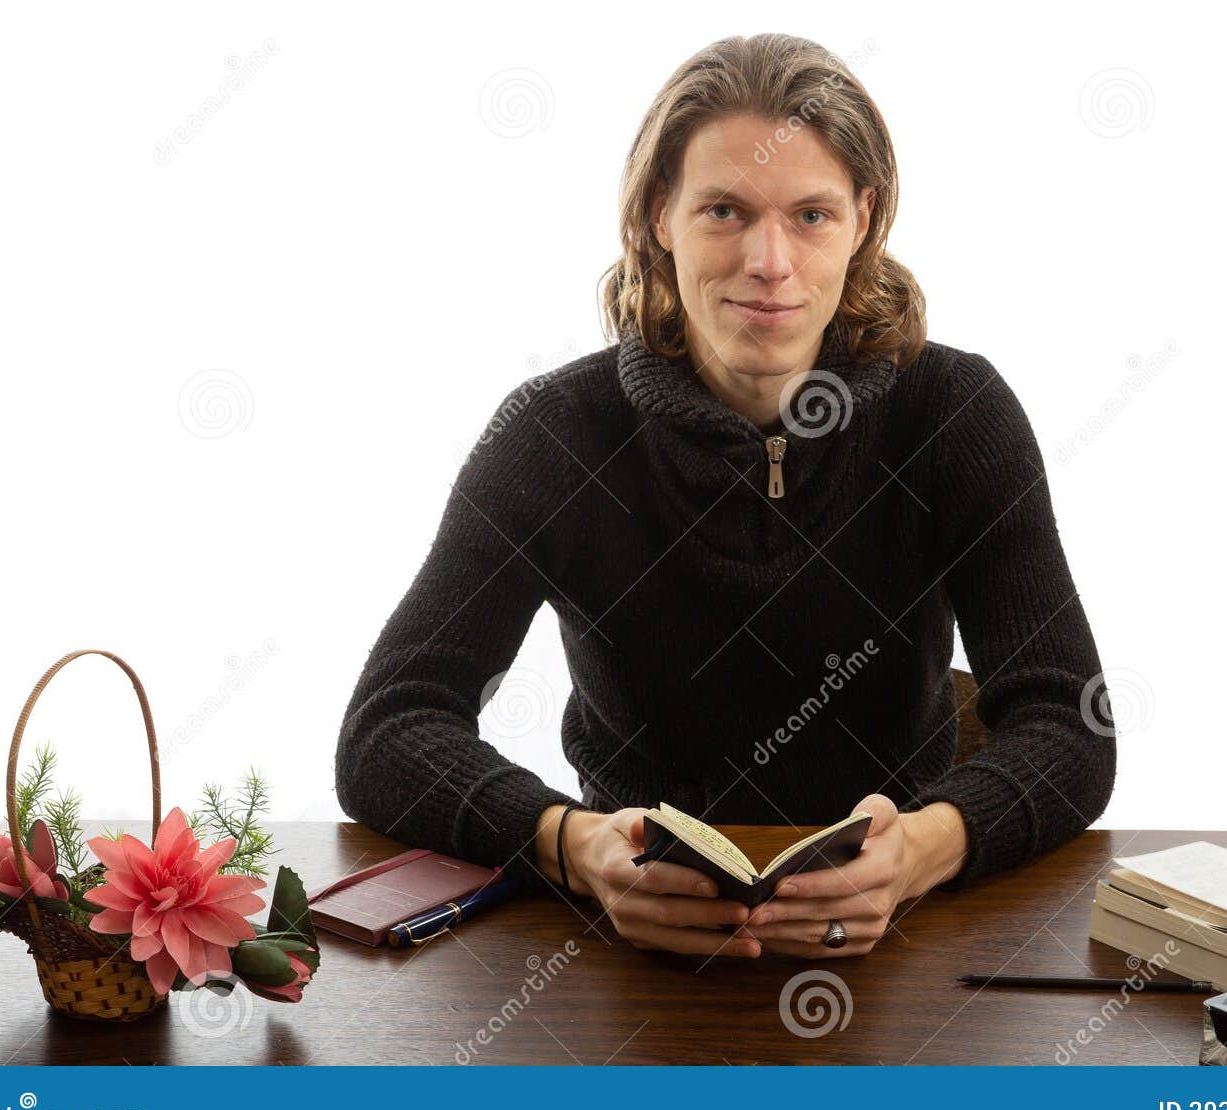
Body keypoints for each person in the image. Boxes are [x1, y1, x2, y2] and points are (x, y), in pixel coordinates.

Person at [334, 32, 1116, 960]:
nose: (770, 261)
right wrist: (570, 846)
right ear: (660, 217)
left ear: (865, 220)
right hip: (629, 951)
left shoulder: (955, 413)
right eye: (724, 211)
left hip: (904, 945)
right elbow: (389, 726)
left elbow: (1071, 721)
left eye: (813, 216)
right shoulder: (553, 434)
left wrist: (928, 849)